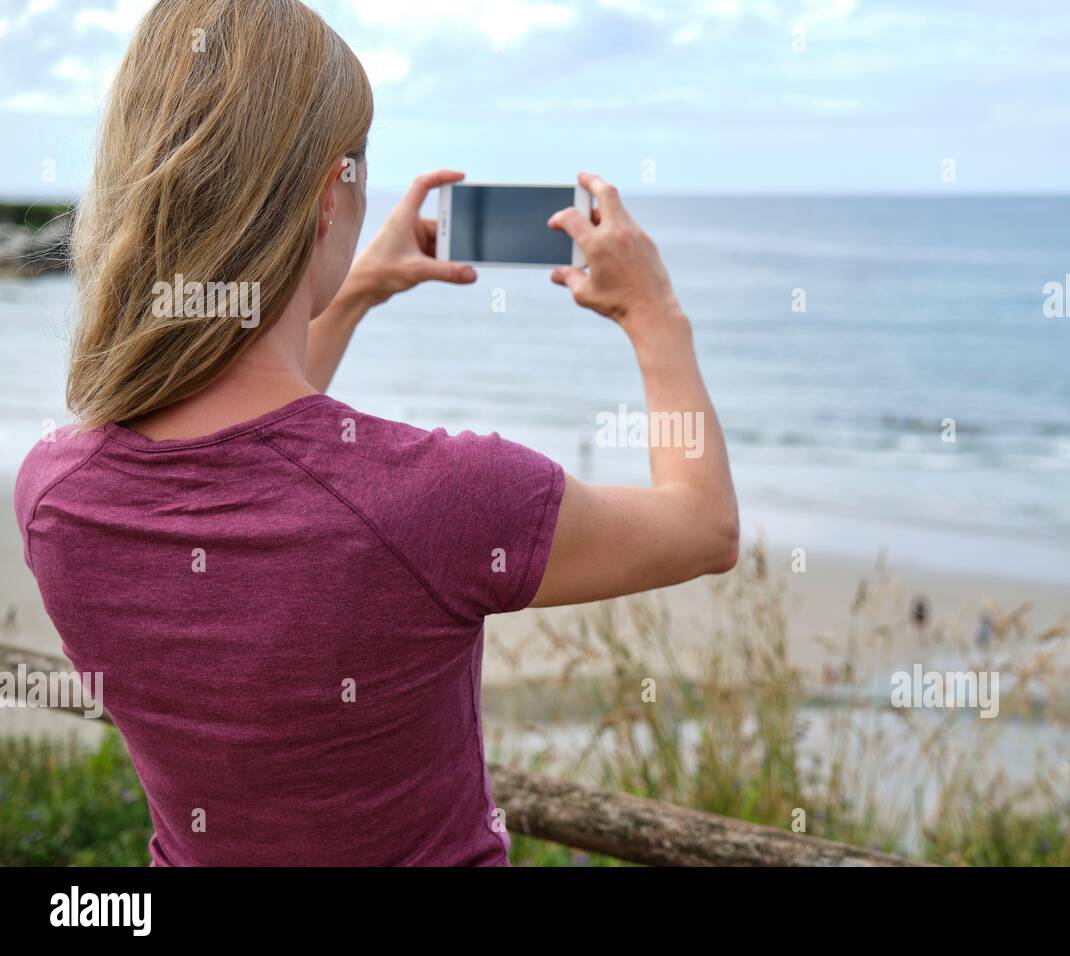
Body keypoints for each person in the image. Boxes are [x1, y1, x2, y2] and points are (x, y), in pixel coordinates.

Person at [12, 0, 737, 867]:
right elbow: (703, 525)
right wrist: (652, 313)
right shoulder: (442, 499)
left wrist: (351, 288)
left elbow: (244, 457)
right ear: (329, 196)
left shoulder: (56, 492)